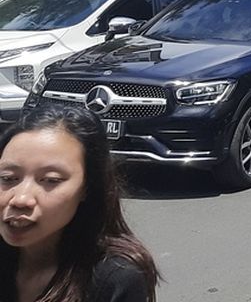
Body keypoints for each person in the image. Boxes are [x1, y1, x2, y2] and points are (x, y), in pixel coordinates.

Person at [0, 105, 160, 302]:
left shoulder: (113, 278)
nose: (21, 199)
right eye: (8, 178)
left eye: (51, 180)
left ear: (87, 187)